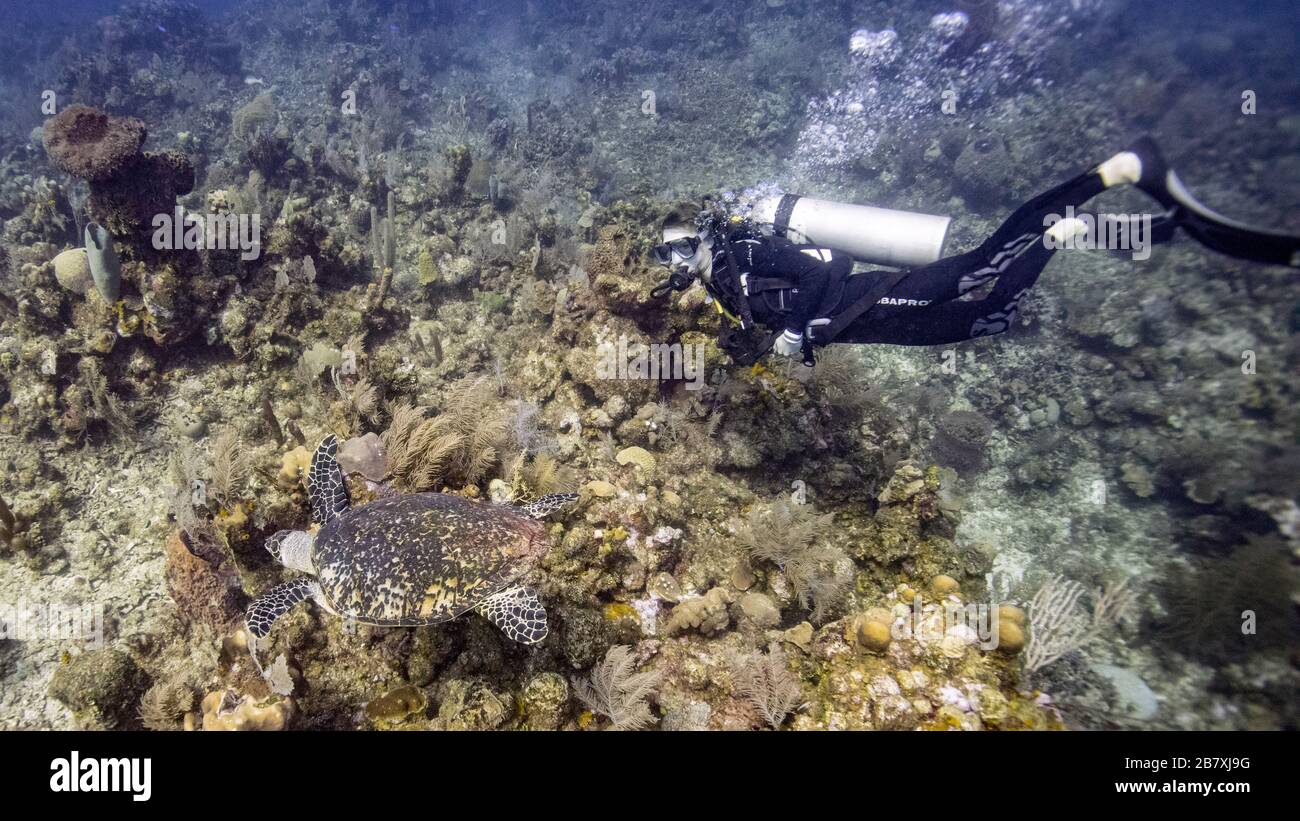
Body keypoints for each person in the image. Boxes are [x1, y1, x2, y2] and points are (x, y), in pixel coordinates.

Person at [650, 138, 1300, 366]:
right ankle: (1071, 237)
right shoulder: (720, 284)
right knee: (993, 317)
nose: (678, 264)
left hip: (870, 297)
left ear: (699, 234)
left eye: (679, 248)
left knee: (987, 262)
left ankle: (1115, 171)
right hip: (877, 328)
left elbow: (829, 269)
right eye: (667, 258)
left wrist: (792, 330)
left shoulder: (743, 247)